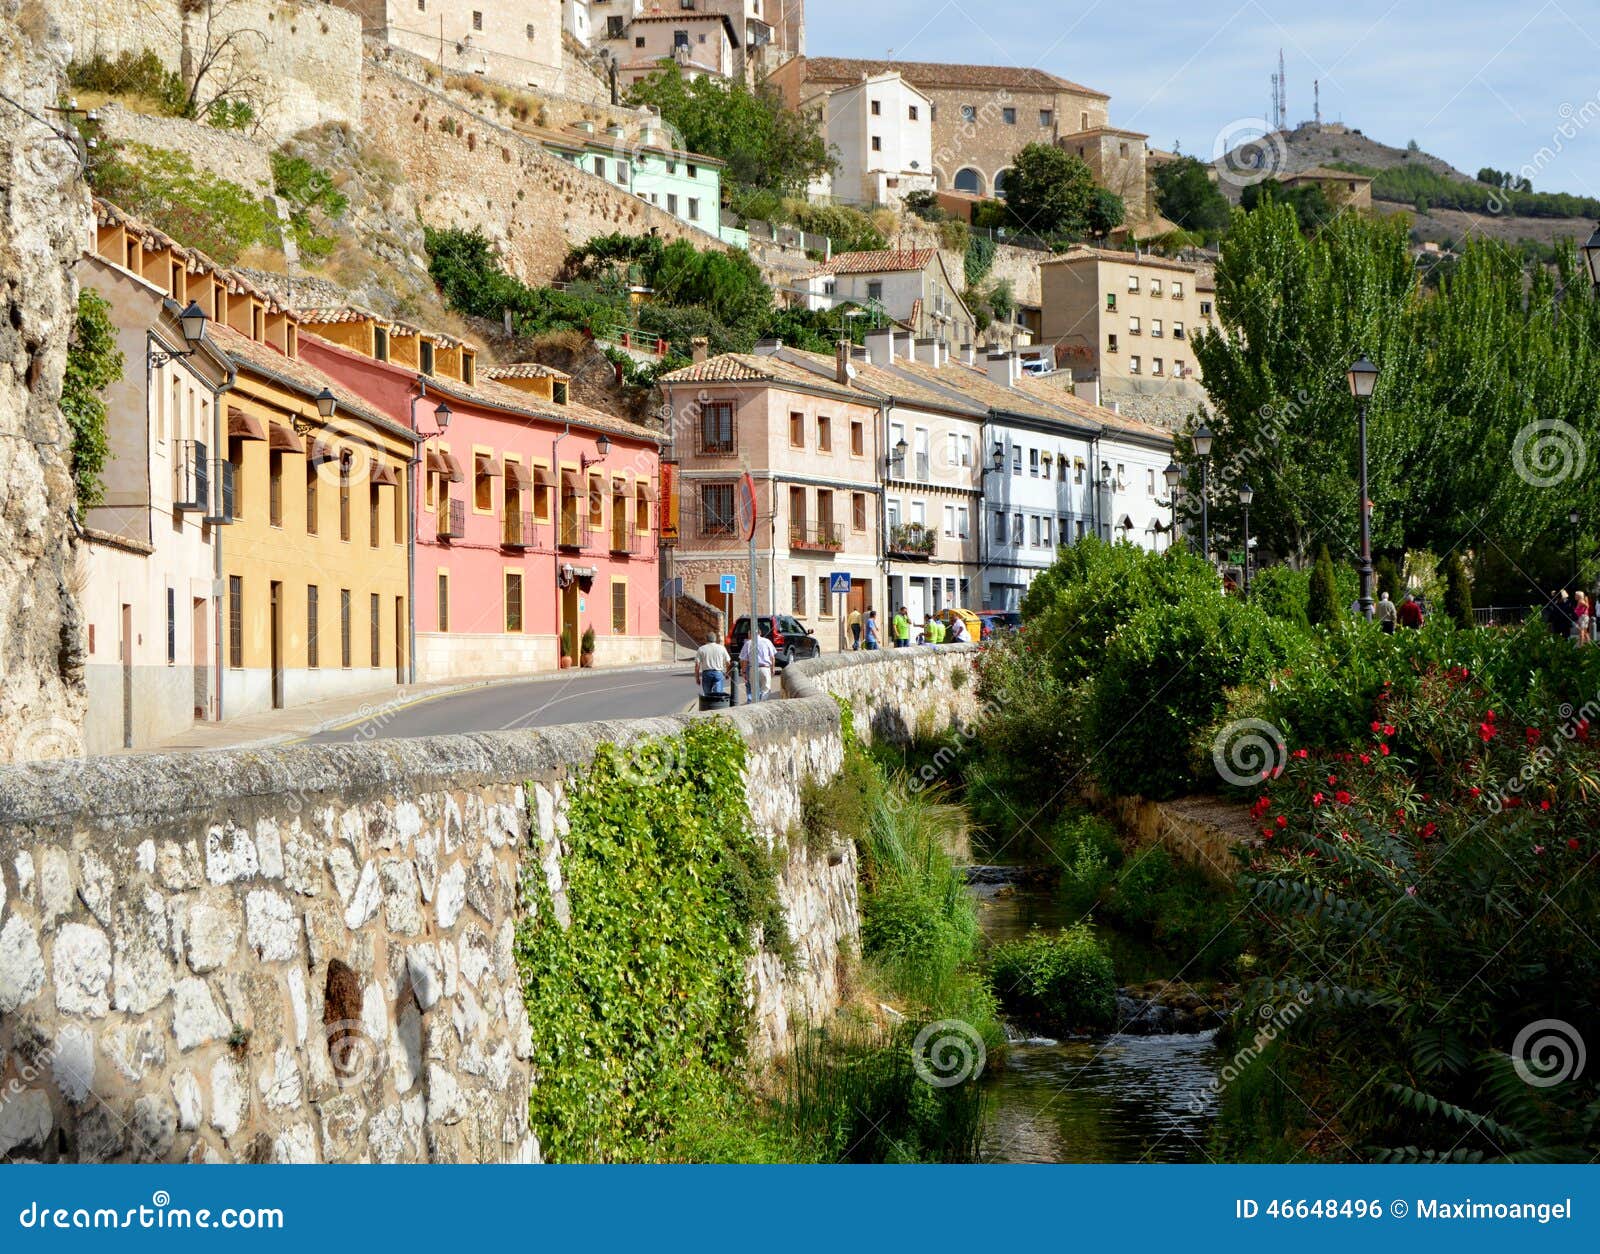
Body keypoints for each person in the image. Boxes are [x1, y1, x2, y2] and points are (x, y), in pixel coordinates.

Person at [740, 630, 776, 700]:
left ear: (750, 634)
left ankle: (756, 705)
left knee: (754, 691)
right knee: (766, 690)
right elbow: (772, 657)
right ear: (760, 633)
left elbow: (744, 660)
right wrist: (772, 669)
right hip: (765, 668)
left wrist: (744, 672)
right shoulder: (767, 641)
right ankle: (763, 703)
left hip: (753, 668)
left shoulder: (748, 643)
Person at [694, 631, 730, 697]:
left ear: (706, 639)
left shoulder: (701, 649)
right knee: (718, 696)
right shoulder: (721, 648)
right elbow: (728, 662)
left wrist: (697, 678)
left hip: (706, 673)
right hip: (718, 673)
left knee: (707, 695)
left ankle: (709, 706)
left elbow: (697, 665)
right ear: (715, 639)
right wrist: (727, 673)